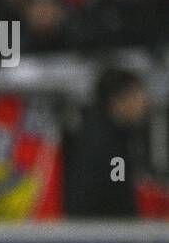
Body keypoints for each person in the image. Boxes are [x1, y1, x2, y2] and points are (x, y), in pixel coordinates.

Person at [64, 67, 149, 218]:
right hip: (100, 234)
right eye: (136, 95)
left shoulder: (104, 133)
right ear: (117, 100)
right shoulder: (108, 146)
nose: (143, 103)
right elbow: (117, 192)